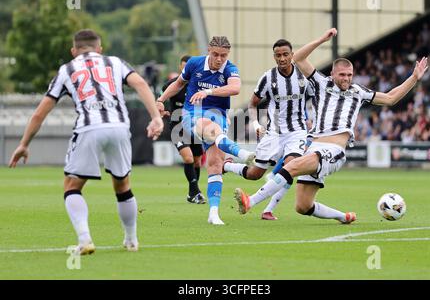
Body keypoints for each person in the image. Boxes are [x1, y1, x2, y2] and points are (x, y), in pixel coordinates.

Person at [234, 28, 428, 224]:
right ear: (333, 74)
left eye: (349, 75)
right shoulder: (321, 83)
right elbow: (299, 58)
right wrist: (322, 39)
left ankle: (250, 201)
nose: (346, 79)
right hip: (314, 146)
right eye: (342, 74)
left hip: (334, 150)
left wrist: (413, 79)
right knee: (303, 206)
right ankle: (343, 217)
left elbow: (391, 98)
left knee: (291, 165)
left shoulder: (358, 91)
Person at [8, 29, 164, 254]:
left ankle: (85, 240)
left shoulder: (67, 69)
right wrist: (156, 117)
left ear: (74, 51)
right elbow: (140, 83)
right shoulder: (115, 62)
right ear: (100, 49)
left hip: (89, 128)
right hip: (119, 126)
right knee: (122, 185)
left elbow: (39, 114)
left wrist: (24, 144)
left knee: (72, 186)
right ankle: (131, 241)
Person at [157, 36, 255, 225]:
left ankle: (213, 212)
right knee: (207, 126)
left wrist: (208, 92)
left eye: (223, 55)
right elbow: (178, 83)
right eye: (216, 54)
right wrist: (160, 100)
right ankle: (241, 153)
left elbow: (235, 88)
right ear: (209, 50)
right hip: (192, 112)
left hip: (218, 113)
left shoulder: (230, 68)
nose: (219, 59)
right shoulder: (194, 63)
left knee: (215, 164)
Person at [223, 39, 313, 220]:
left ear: (292, 55)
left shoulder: (304, 76)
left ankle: (255, 203)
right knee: (254, 174)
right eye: (278, 55)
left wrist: (312, 120)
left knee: (291, 166)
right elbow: (253, 103)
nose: (282, 59)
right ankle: (226, 165)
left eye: (285, 54)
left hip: (297, 132)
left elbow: (316, 98)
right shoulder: (268, 78)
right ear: (274, 57)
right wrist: (256, 124)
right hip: (273, 133)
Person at [161, 55, 206, 204]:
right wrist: (166, 109)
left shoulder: (199, 85)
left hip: (194, 126)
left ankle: (193, 192)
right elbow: (164, 95)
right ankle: (195, 193)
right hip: (177, 126)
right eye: (185, 66)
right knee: (188, 157)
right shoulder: (173, 84)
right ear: (181, 67)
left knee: (197, 161)